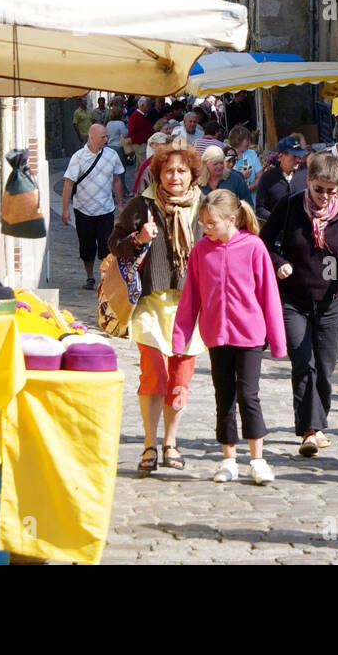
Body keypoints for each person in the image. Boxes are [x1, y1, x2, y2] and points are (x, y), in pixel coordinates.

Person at [171, 189, 287, 485]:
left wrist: (278, 340)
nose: (206, 229)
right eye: (203, 223)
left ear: (231, 219)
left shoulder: (254, 247)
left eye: (212, 223)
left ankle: (258, 459)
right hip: (216, 336)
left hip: (249, 336)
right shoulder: (200, 252)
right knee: (224, 397)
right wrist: (179, 338)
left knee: (249, 395)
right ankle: (229, 458)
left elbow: (269, 296)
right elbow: (190, 300)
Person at [109, 143, 205, 474]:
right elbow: (114, 244)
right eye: (168, 171)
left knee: (180, 378)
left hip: (191, 305)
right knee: (154, 374)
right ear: (158, 174)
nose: (175, 177)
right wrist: (138, 237)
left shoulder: (204, 206)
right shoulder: (143, 205)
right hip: (151, 302)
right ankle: (150, 442)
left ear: (193, 173)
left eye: (182, 170)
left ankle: (171, 442)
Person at [261, 153, 338, 456]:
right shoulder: (291, 205)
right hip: (293, 297)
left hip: (331, 299)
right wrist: (279, 262)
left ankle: (318, 422)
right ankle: (310, 429)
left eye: (331, 191)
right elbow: (263, 241)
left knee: (324, 366)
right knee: (303, 362)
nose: (324, 197)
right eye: (319, 189)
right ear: (309, 182)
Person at [61, 124, 126, 290]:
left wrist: (120, 204)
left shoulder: (112, 155)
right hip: (83, 208)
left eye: (106, 136)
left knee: (106, 245)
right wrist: (65, 209)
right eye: (102, 137)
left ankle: (104, 278)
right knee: (87, 245)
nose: (106, 139)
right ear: (92, 138)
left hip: (105, 208)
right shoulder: (78, 157)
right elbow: (69, 183)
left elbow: (117, 180)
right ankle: (90, 276)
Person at [256, 135, 308, 220]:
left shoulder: (305, 174)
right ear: (281, 157)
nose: (299, 159)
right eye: (294, 156)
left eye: (299, 156)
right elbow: (260, 208)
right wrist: (276, 220)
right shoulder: (267, 178)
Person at [228, 126, 264, 193]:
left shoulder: (251, 154)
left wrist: (248, 189)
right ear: (239, 140)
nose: (249, 142)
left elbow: (260, 177)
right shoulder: (225, 155)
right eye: (247, 140)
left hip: (251, 200)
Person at [128, 96, 155, 165]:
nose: (148, 107)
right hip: (140, 144)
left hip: (143, 143)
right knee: (145, 164)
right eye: (147, 105)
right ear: (142, 105)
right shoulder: (135, 116)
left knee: (140, 165)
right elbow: (131, 132)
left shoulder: (141, 115)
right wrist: (140, 142)